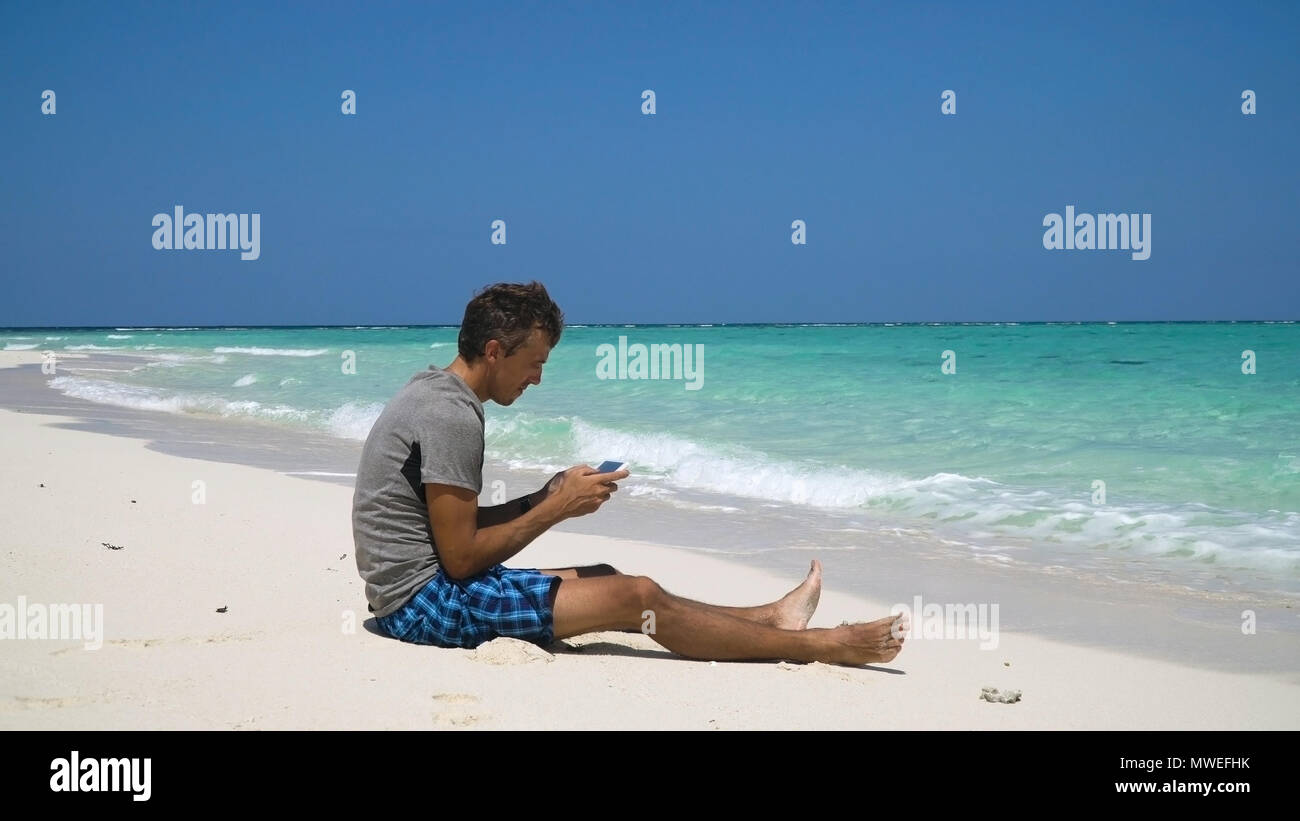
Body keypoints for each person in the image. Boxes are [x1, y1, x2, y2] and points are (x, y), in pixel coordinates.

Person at [352, 281, 907, 665]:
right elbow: (461, 557)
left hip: (422, 589)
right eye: (535, 363)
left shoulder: (435, 392)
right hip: (424, 606)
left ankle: (768, 618)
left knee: (602, 574)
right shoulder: (451, 415)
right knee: (636, 595)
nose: (538, 379)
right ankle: (823, 646)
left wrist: (539, 498)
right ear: (496, 352)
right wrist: (558, 508)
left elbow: (455, 528)